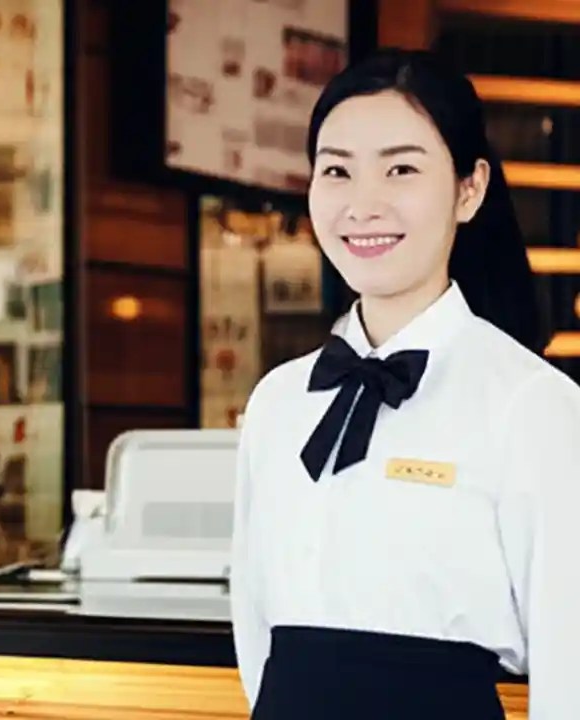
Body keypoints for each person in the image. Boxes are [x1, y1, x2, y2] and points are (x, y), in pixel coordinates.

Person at [229, 48, 580, 719]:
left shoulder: (532, 405)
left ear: (468, 189)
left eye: (401, 169)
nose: (364, 205)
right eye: (337, 170)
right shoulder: (277, 400)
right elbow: (256, 631)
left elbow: (573, 666)